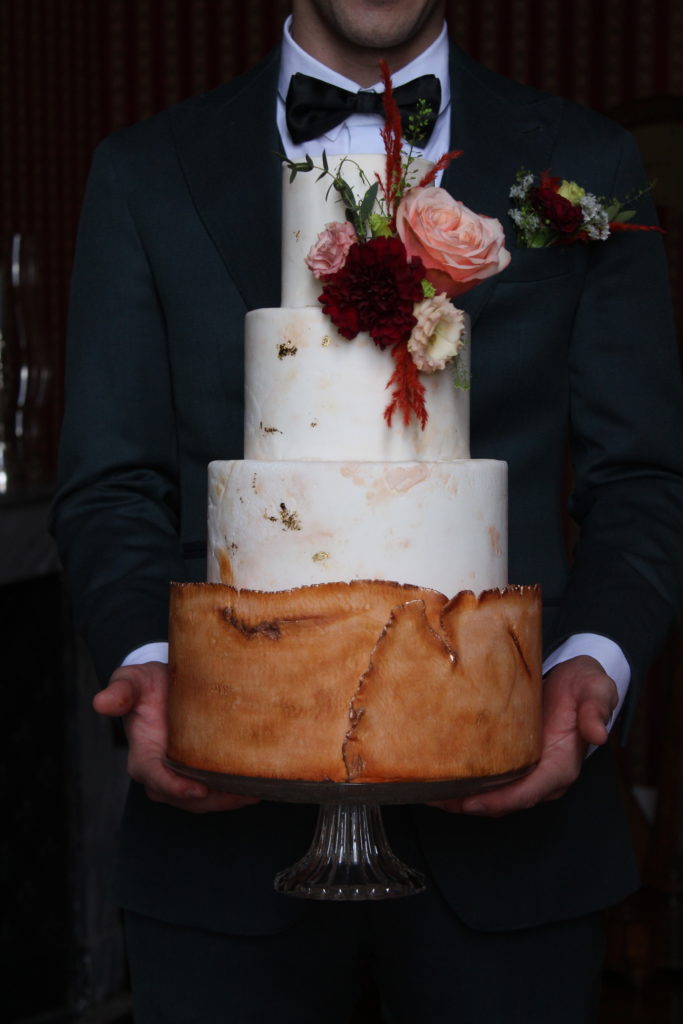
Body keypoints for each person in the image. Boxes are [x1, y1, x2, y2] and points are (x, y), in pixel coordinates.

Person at [51, 1, 683, 1021]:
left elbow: (643, 479)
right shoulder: (145, 169)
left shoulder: (584, 161)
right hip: (223, 855)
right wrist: (155, 667)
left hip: (513, 842)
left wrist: (588, 665)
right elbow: (111, 484)